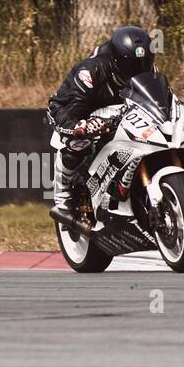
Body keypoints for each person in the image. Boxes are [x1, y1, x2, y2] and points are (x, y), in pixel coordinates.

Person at [46, 25, 154, 226]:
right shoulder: (90, 73)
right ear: (117, 60)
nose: (137, 70)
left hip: (123, 114)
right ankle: (62, 200)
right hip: (83, 115)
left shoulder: (147, 71)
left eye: (144, 63)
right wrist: (81, 126)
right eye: (132, 65)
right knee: (77, 145)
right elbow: (58, 106)